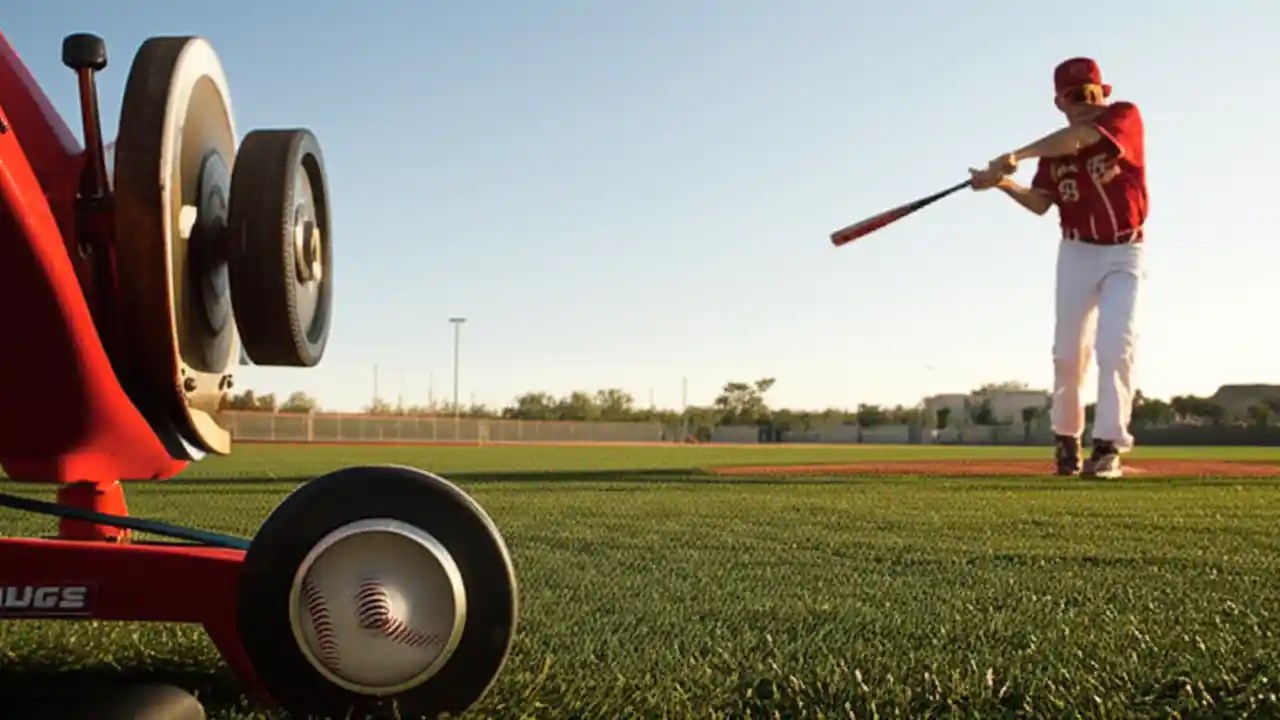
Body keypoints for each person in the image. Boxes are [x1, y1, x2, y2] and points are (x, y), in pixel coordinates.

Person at [969, 57, 1147, 478]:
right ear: (1059, 102)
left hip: (1126, 249)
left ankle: (1108, 448)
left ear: (1102, 93)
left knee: (1115, 346)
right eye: (1073, 96)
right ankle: (1067, 445)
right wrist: (1003, 183)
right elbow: (1040, 204)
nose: (1084, 102)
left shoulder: (1124, 116)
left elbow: (1082, 139)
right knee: (1068, 353)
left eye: (1091, 93)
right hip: (1076, 251)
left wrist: (1016, 153)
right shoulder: (1051, 156)